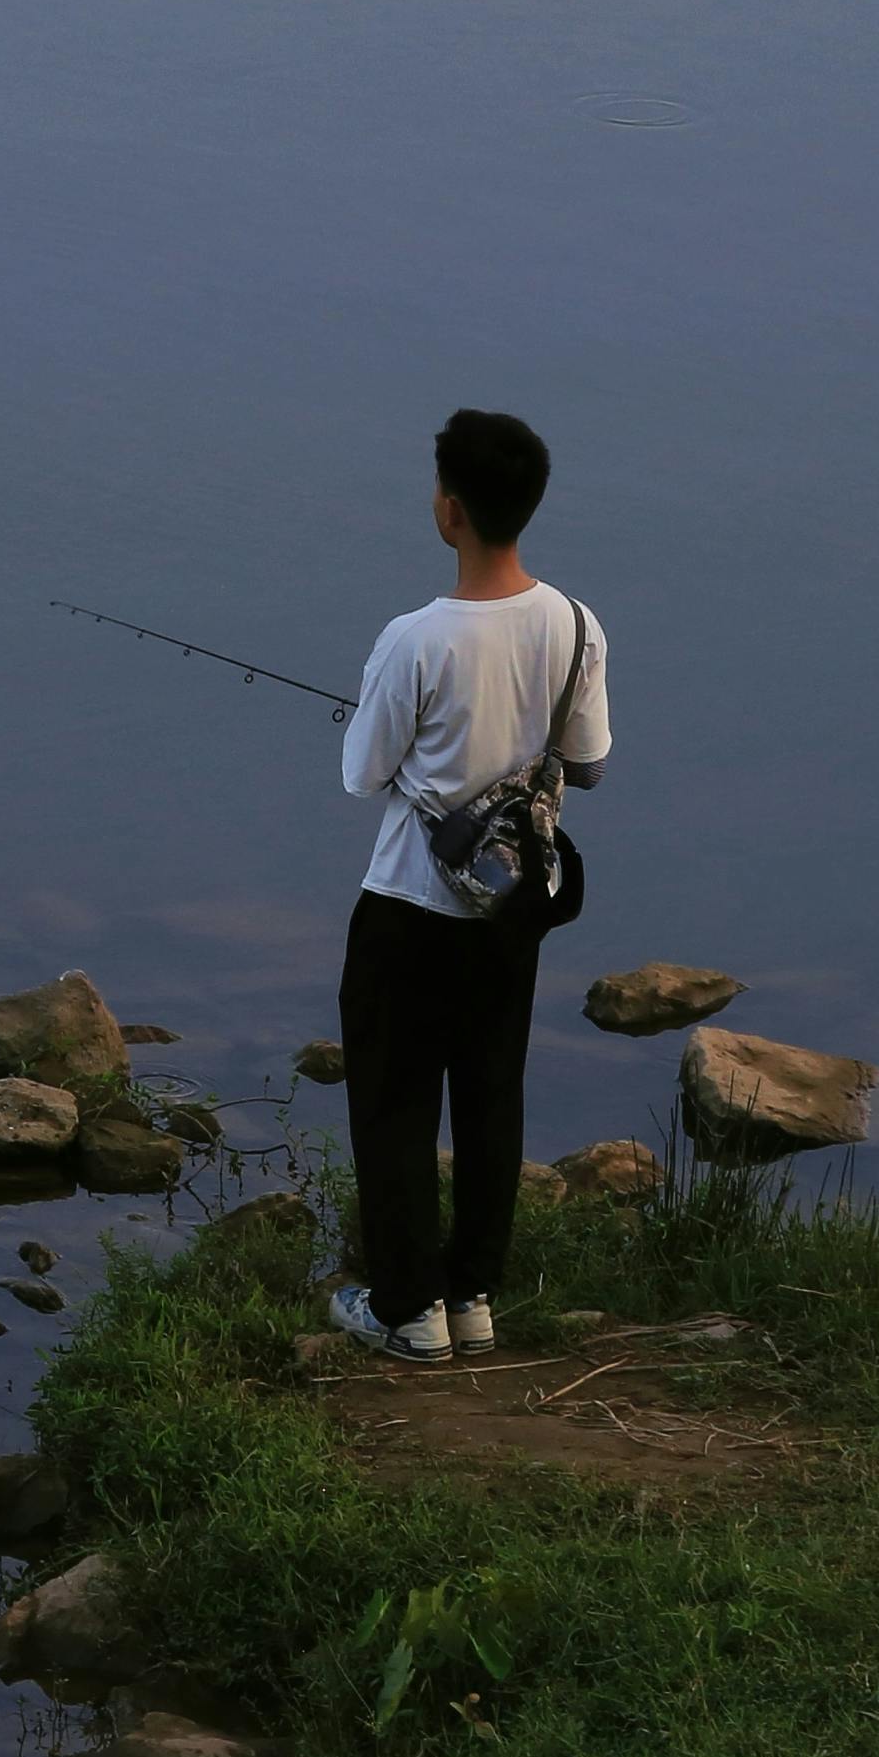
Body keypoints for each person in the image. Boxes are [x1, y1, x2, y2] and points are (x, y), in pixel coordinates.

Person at [326, 409, 611, 1364]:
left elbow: (362, 774)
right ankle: (473, 1295)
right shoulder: (576, 625)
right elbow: (591, 760)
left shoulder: (413, 639)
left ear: (449, 510)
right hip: (510, 913)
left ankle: (409, 1313)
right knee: (491, 1098)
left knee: (395, 1104)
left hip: (409, 909)